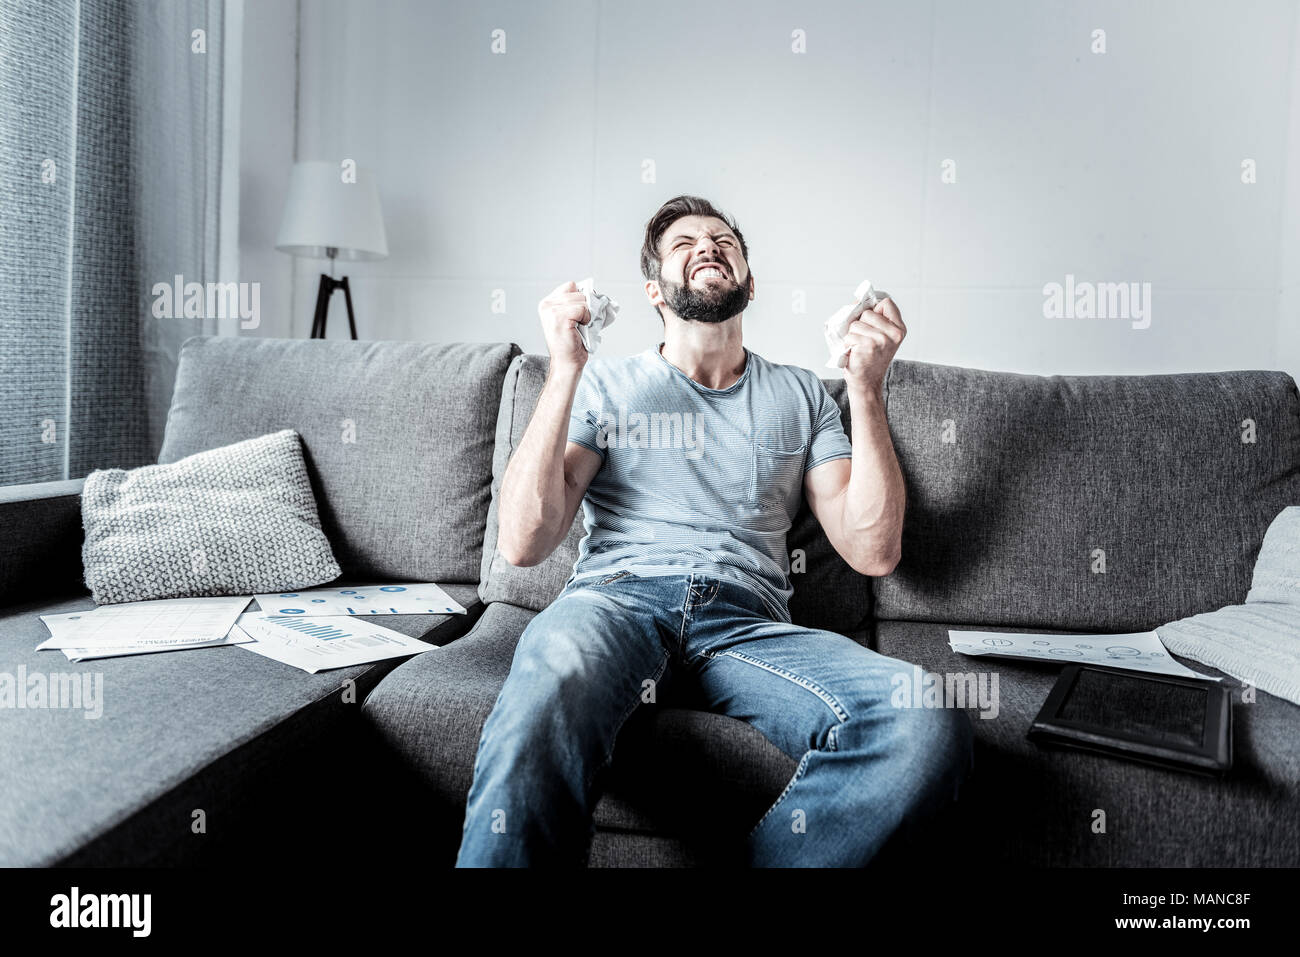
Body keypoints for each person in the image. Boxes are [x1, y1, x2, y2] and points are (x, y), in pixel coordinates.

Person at [455, 195, 973, 867]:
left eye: (724, 238)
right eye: (684, 242)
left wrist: (866, 385)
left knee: (922, 718)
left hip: (746, 626)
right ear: (653, 291)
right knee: (550, 679)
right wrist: (565, 370)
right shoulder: (608, 384)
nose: (708, 245)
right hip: (616, 602)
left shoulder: (803, 395)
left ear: (749, 282)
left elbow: (872, 548)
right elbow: (523, 541)